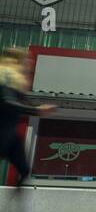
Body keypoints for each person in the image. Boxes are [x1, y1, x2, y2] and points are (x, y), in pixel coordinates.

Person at [0, 49, 55, 188]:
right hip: (3, 131)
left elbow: (21, 102)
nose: (30, 64)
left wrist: (37, 109)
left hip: (9, 134)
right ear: (17, 62)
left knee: (24, 170)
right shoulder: (6, 75)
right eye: (27, 61)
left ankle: (12, 206)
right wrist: (36, 110)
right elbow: (7, 102)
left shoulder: (17, 81)